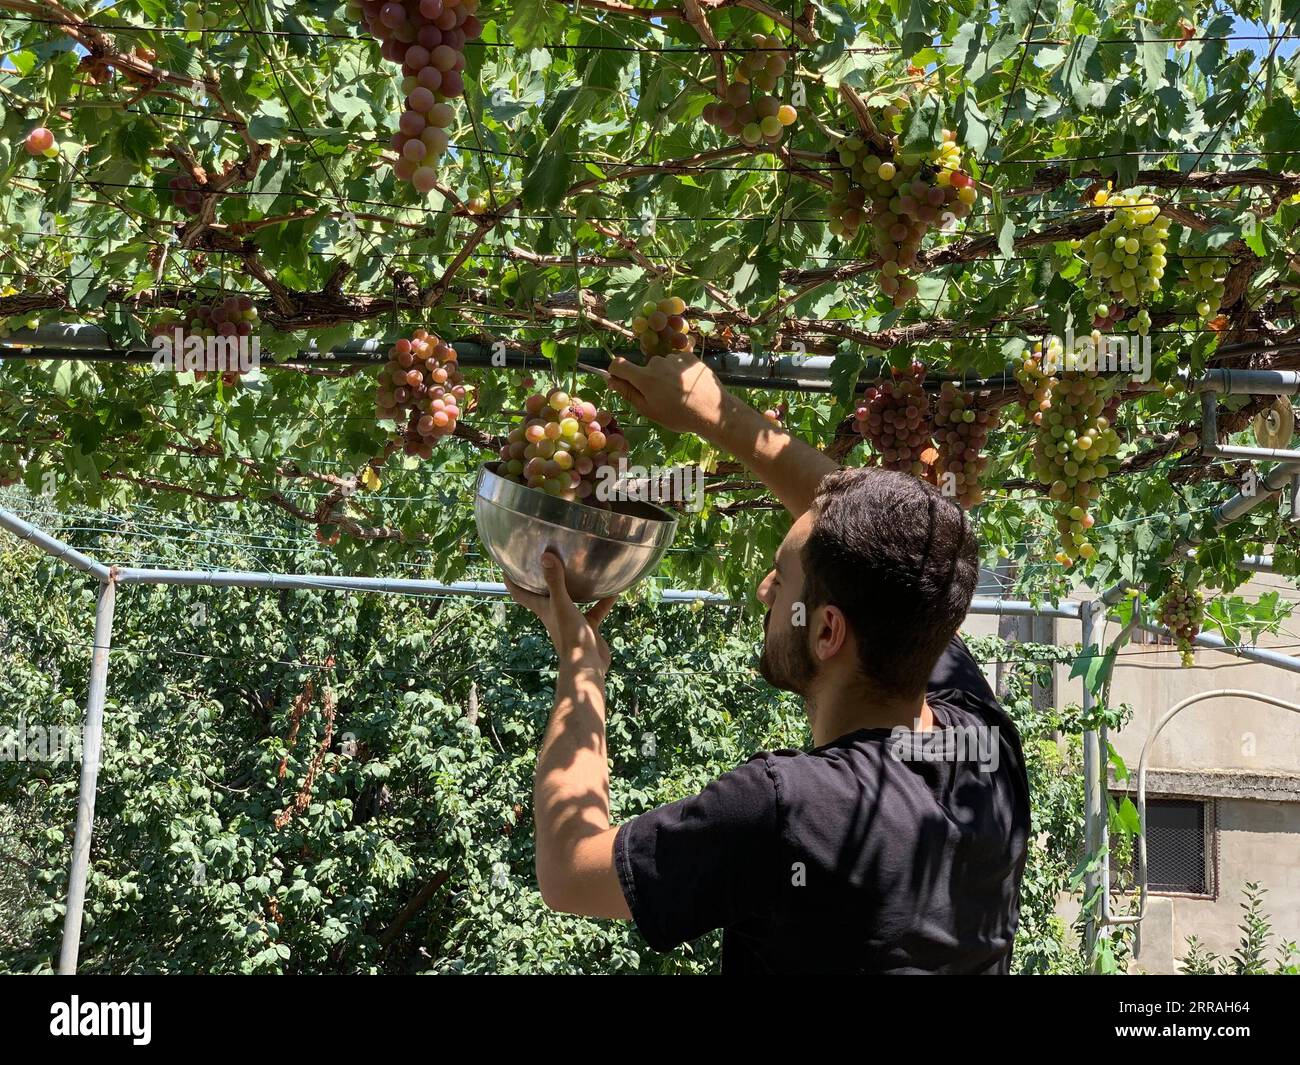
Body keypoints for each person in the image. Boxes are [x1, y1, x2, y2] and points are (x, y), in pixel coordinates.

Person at [502, 351, 1030, 974]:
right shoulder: (984, 752)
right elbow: (887, 549)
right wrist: (716, 414)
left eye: (781, 581)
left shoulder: (788, 808)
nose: (765, 592)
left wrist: (581, 675)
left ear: (827, 630)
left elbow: (569, 870)